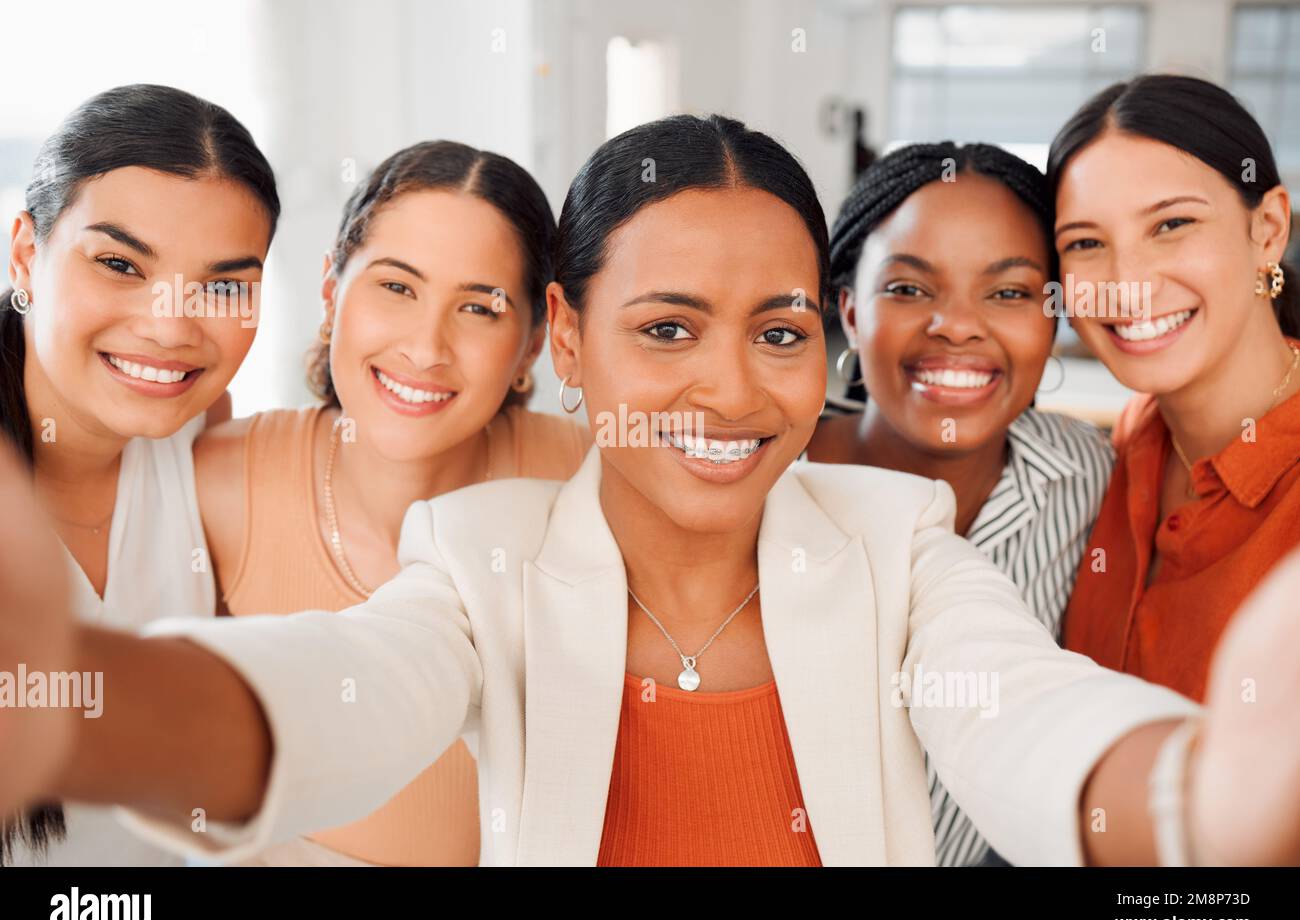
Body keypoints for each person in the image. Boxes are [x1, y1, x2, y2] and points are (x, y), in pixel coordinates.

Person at [6, 115, 1299, 868]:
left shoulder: (898, 545)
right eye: (668, 329)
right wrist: (77, 707)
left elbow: (1023, 718)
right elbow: (341, 688)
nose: (730, 392)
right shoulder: (475, 554)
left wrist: (1214, 793)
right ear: (568, 340)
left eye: (781, 333)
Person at [196, 141, 588, 866]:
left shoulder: (588, 485)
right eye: (397, 287)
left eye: (479, 306)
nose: (426, 347)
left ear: (534, 341)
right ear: (330, 291)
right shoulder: (219, 484)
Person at [804, 142, 1113, 865]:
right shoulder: (765, 485)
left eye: (1007, 292)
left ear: (1053, 318)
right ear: (849, 308)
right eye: (909, 289)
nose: (957, 325)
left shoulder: (1092, 477)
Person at [0, 85, 279, 866]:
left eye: (223, 284)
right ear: (27, 254)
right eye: (120, 264)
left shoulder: (203, 426)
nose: (170, 326)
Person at [1053, 74, 1300, 703]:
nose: (1126, 281)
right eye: (1085, 242)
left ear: (1268, 228)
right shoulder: (1138, 431)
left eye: (1171, 225)